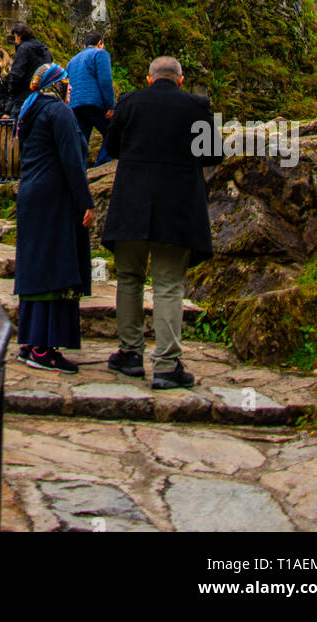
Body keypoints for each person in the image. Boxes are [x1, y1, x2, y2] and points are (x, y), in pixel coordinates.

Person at [101, 56, 218, 390]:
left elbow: (112, 147)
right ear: (180, 80)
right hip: (178, 209)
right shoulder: (196, 106)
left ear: (149, 79)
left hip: (131, 205)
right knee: (168, 285)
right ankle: (167, 365)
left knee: (129, 278)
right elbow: (212, 154)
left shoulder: (130, 102)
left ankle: (130, 354)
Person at [14, 63, 95, 373]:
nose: (70, 87)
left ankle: (30, 340)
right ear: (54, 85)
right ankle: (42, 346)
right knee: (53, 267)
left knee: (37, 266)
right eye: (66, 82)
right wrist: (85, 201)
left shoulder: (29, 111)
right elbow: (73, 160)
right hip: (54, 197)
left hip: (33, 194)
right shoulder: (59, 113)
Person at [66, 32, 115, 166]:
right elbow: (105, 81)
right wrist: (110, 106)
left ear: (84, 45)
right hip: (93, 102)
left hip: (75, 104)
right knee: (113, 132)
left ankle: (77, 170)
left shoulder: (72, 60)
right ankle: (102, 164)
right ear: (100, 43)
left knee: (80, 141)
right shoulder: (100, 54)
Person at [7, 23, 53, 120]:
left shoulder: (24, 49)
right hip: (43, 94)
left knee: (17, 126)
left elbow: (16, 74)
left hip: (24, 95)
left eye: (15, 37)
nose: (15, 41)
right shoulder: (45, 50)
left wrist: (12, 92)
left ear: (19, 36)